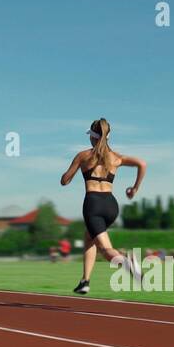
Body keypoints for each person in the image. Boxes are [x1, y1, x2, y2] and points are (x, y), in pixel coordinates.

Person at [59, 117, 146, 294]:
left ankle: (128, 264)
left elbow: (64, 181)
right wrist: (134, 189)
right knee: (89, 238)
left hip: (93, 205)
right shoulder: (115, 158)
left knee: (106, 251)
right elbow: (142, 164)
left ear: (92, 137)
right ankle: (85, 281)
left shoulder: (83, 156)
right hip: (111, 206)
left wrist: (69, 172)